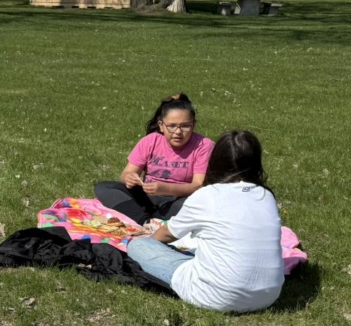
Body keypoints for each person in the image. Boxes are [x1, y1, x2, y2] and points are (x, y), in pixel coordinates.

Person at [127, 131, 284, 312]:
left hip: (216, 296)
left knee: (139, 246)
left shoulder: (208, 194)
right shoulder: (266, 195)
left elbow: (167, 234)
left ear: (216, 160)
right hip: (269, 295)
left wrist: (150, 242)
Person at [95, 93, 214, 224]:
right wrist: (129, 177)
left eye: (185, 126)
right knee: (104, 187)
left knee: (199, 206)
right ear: (161, 125)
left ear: (194, 124)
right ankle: (144, 222)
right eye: (172, 126)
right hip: (146, 197)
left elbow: (197, 186)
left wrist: (164, 188)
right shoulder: (150, 141)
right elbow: (126, 173)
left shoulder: (203, 145)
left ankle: (138, 215)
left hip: (177, 200)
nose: (178, 132)